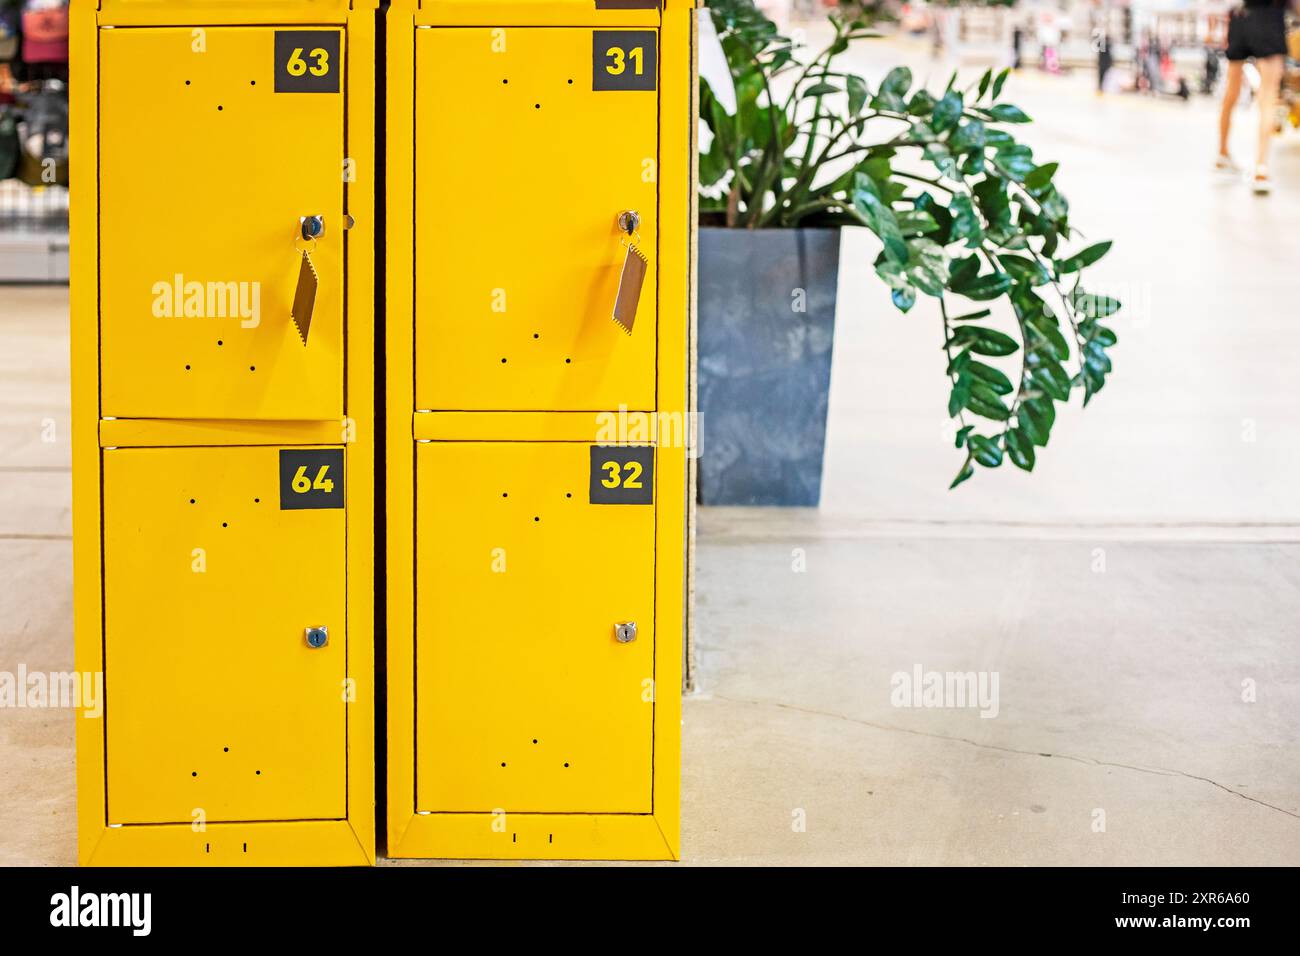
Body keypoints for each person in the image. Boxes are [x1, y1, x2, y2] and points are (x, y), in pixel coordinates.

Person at [1218, 0, 1289, 194]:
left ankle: (1222, 154)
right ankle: (1261, 169)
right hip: (1268, 18)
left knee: (1231, 90)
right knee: (1268, 96)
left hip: (1240, 18)